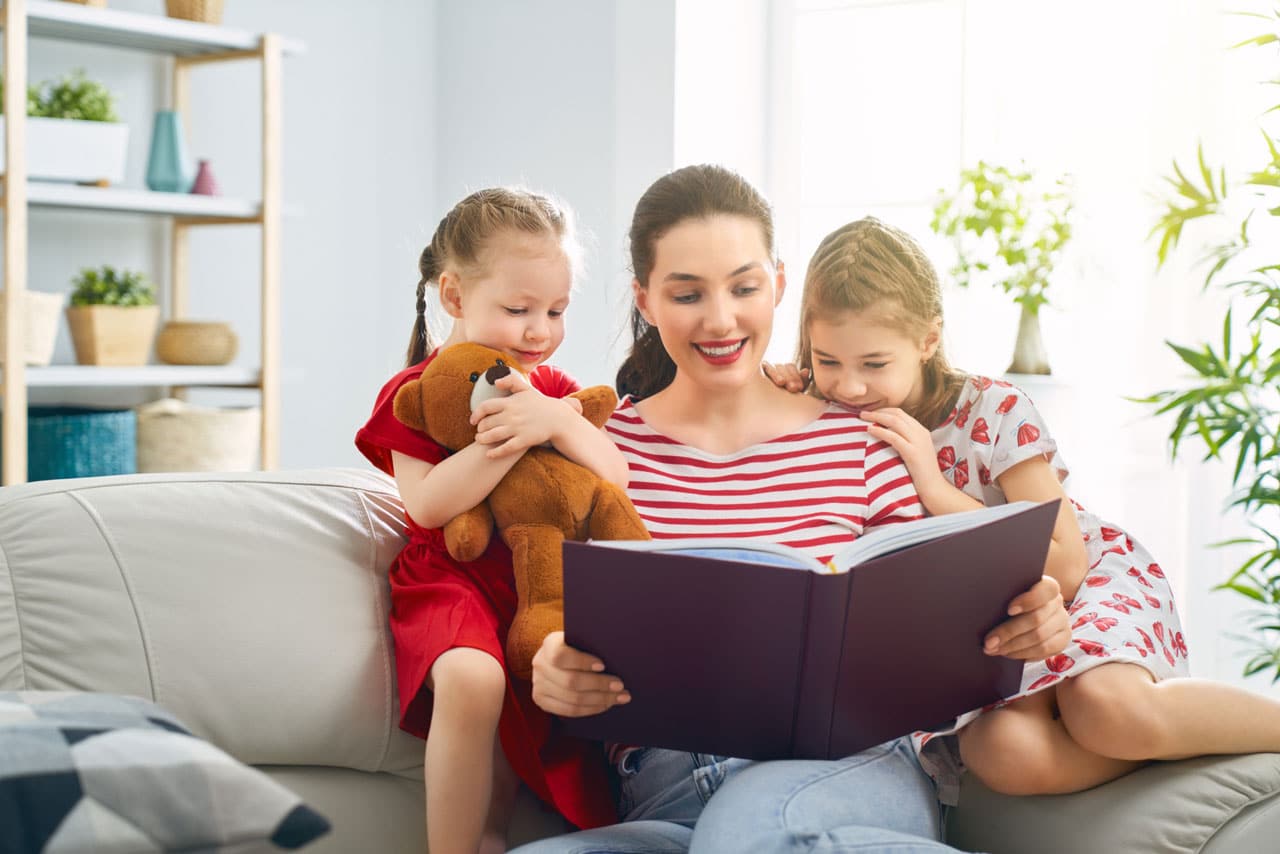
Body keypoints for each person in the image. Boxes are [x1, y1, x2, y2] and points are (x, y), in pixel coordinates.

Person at [510, 165, 1071, 854]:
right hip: (669, 798)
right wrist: (554, 669)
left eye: (744, 288)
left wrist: (1026, 614)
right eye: (687, 294)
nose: (721, 319)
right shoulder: (595, 451)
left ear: (778, 284)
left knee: (750, 836)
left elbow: (944, 615)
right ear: (645, 300)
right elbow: (552, 614)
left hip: (847, 771)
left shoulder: (862, 438)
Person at [765, 215, 1280, 800]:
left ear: (928, 340)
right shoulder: (824, 413)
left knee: (1106, 708)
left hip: (1082, 587)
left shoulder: (993, 409)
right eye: (828, 361)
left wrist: (934, 488)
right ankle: (1141, 749)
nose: (850, 387)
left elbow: (1066, 564)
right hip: (990, 632)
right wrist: (775, 400)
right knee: (1003, 754)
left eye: (874, 364)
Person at [355, 187, 627, 854]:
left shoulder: (552, 390)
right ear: (454, 295)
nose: (540, 331)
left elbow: (614, 476)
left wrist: (553, 419)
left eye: (556, 311)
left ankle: (492, 838)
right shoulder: (419, 393)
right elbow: (427, 503)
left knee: (528, 707)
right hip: (449, 577)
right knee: (476, 678)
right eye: (518, 310)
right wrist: (503, 439)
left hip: (531, 581)